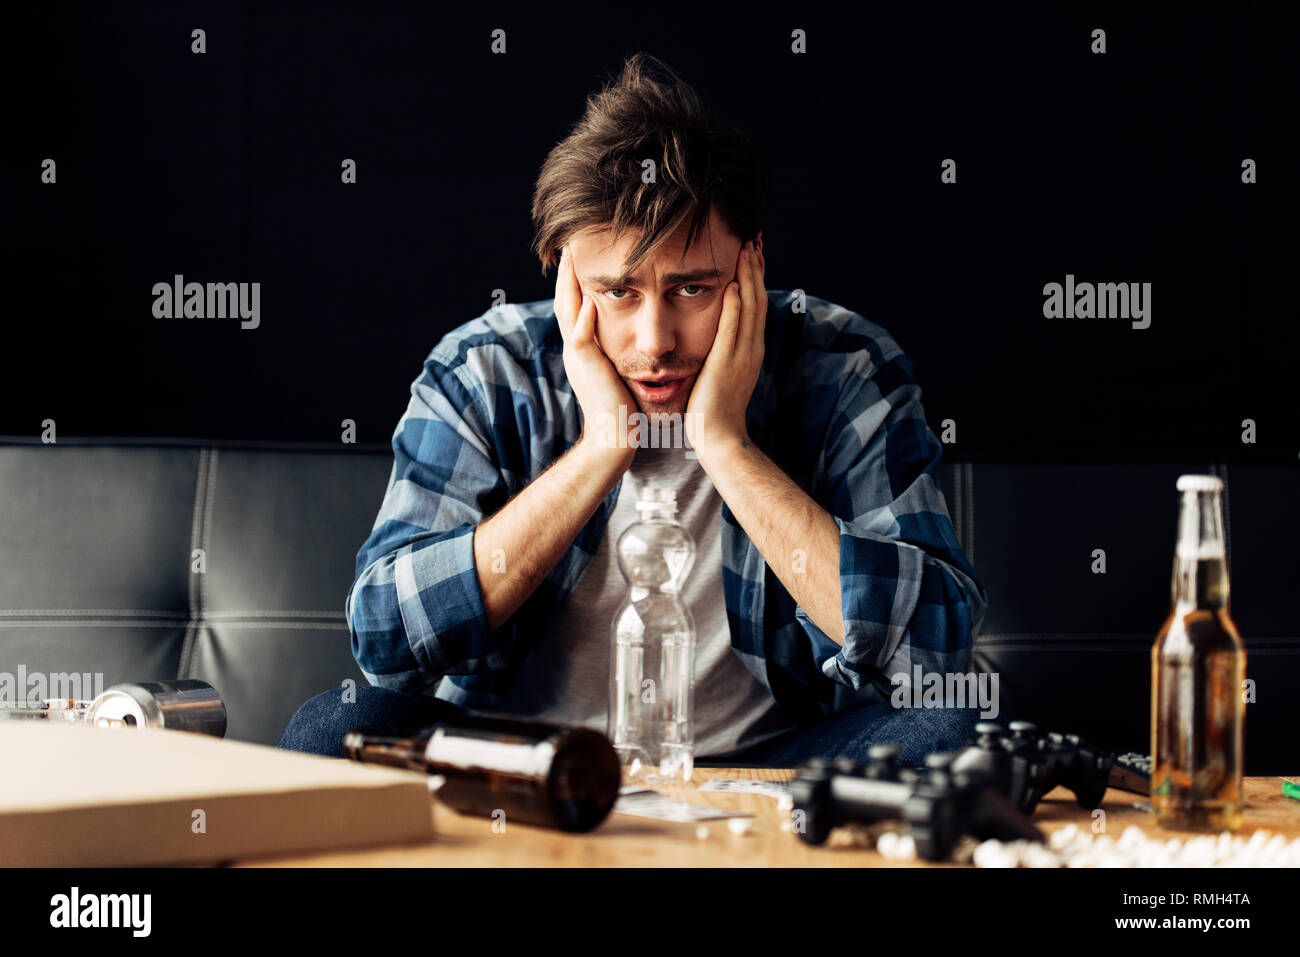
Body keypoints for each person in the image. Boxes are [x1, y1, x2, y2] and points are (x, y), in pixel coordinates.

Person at [280, 53, 988, 767]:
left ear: (752, 261)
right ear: (564, 272)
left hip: (776, 766)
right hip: (521, 767)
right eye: (618, 292)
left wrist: (727, 446)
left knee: (946, 737)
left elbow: (933, 650)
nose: (655, 342)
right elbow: (386, 641)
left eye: (691, 289)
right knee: (330, 727)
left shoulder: (843, 367)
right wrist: (599, 449)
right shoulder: (484, 370)